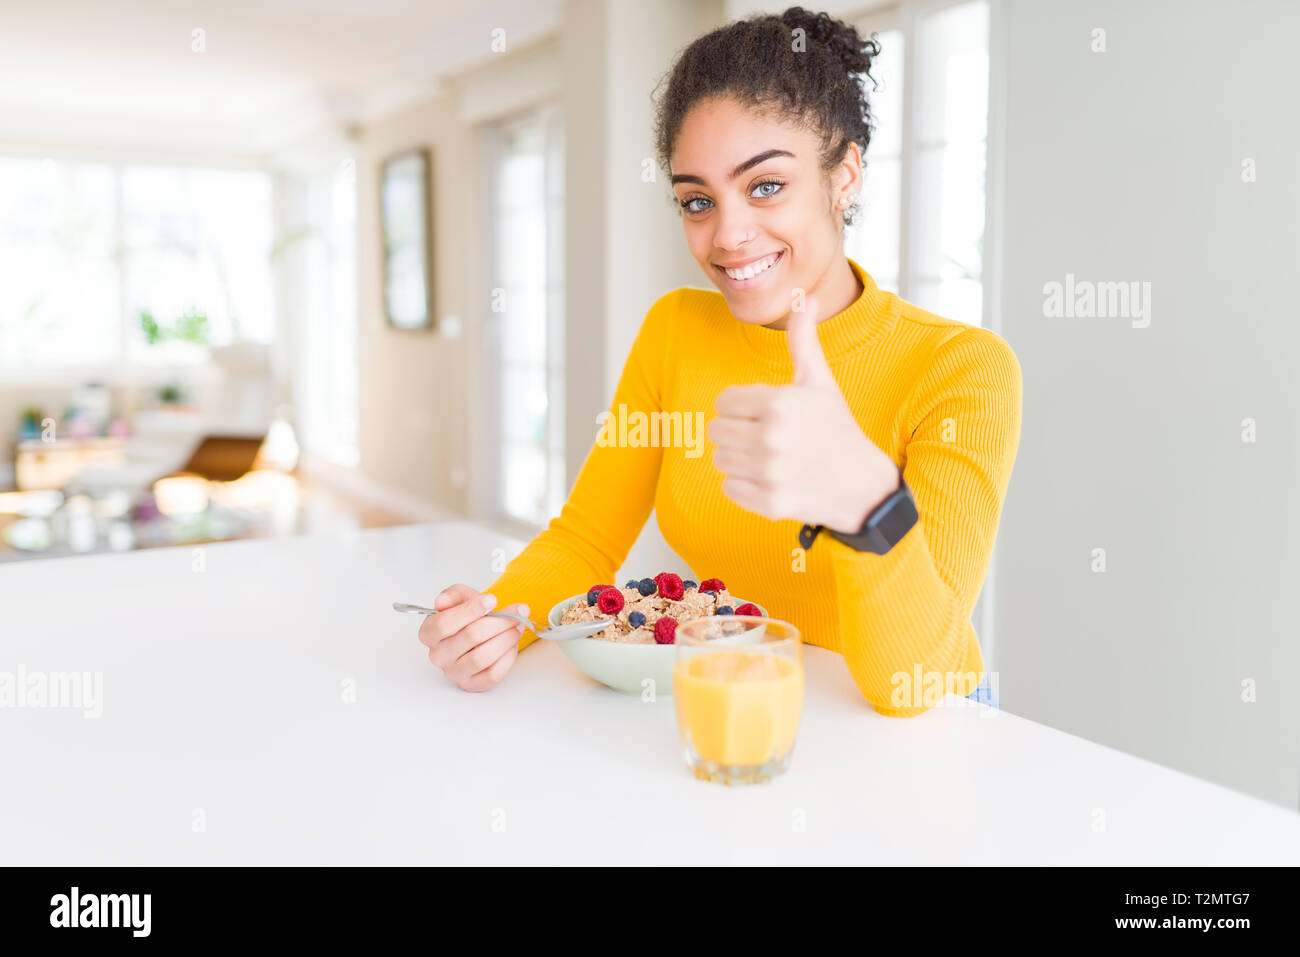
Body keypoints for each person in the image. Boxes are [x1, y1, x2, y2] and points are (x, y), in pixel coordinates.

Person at [418, 6, 1020, 715]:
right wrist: (496, 619)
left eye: (766, 185)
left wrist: (867, 501)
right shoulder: (675, 330)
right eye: (697, 199)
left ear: (844, 175)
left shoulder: (961, 368)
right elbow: (584, 540)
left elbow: (912, 682)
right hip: (740, 698)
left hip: (921, 733)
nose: (728, 235)